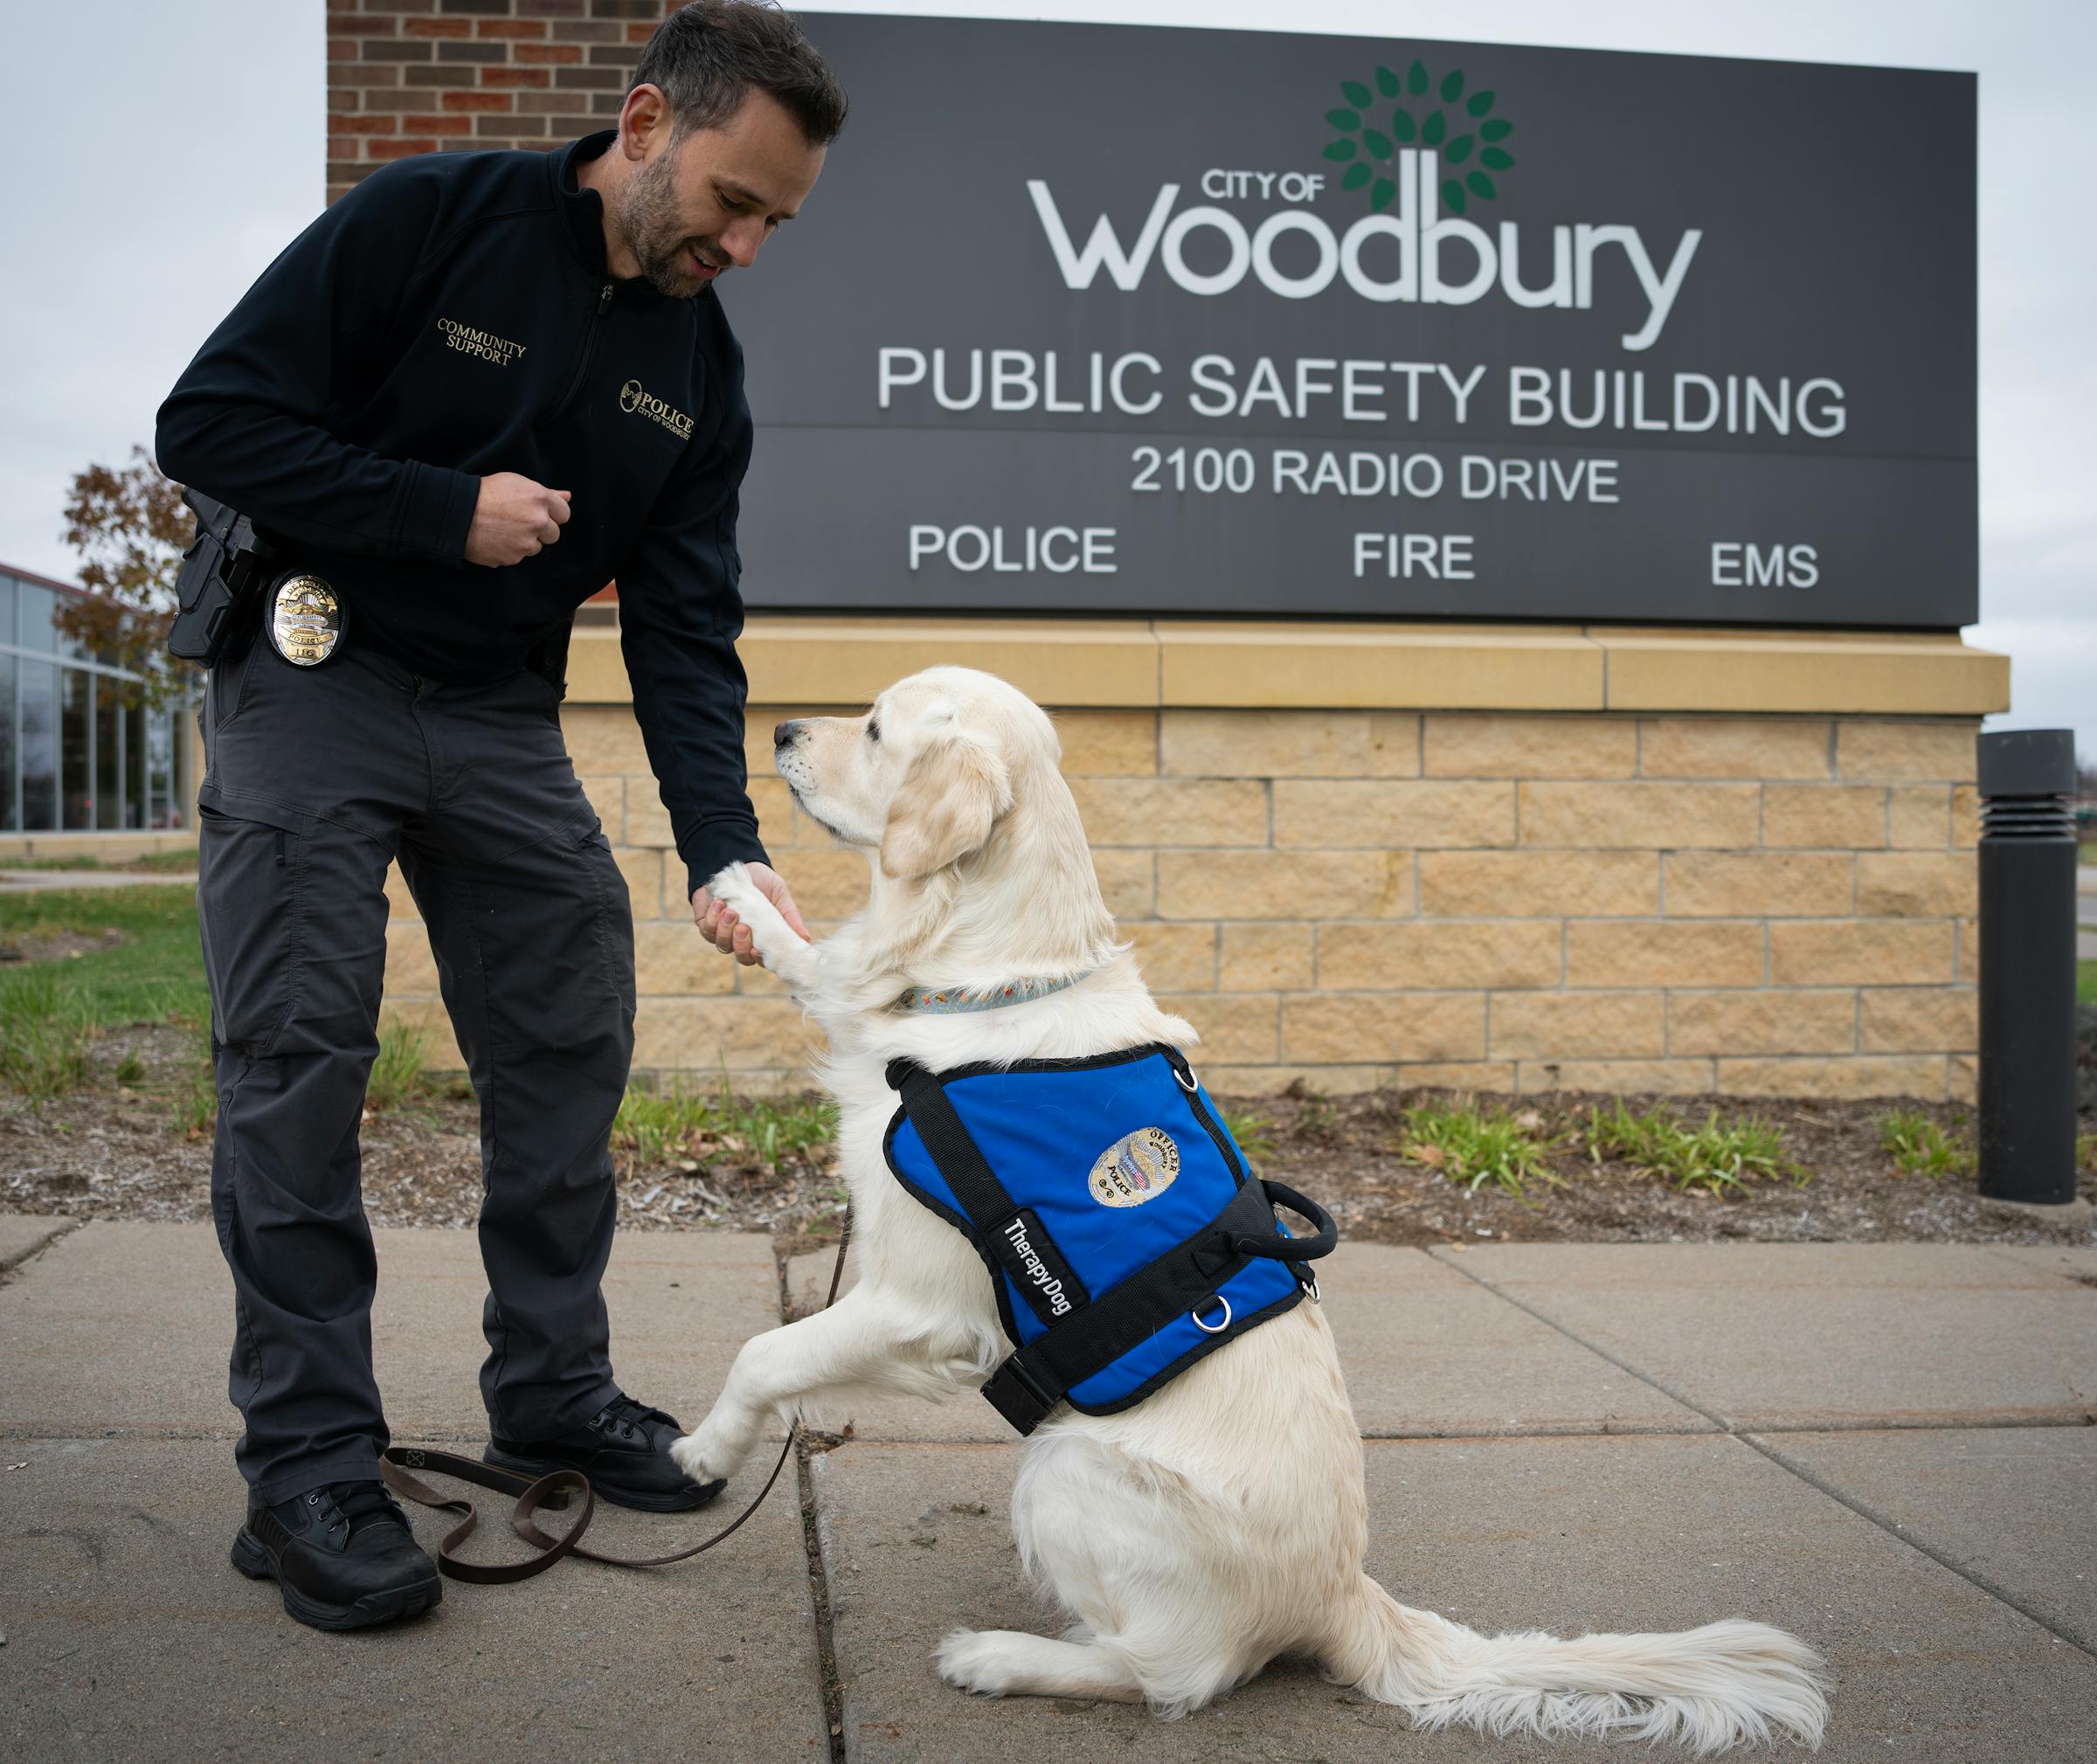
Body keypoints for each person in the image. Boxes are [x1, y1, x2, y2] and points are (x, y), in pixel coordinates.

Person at [152, 0, 845, 1632]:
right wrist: (434, 509)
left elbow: (688, 625)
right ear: (647, 121)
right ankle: (310, 1460)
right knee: (300, 1057)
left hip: (493, 721)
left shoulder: (699, 371)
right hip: (312, 668)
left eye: (775, 224)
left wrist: (721, 842)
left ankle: (551, 1392)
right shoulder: (429, 218)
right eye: (734, 200)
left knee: (566, 1017)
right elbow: (211, 424)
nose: (744, 244)